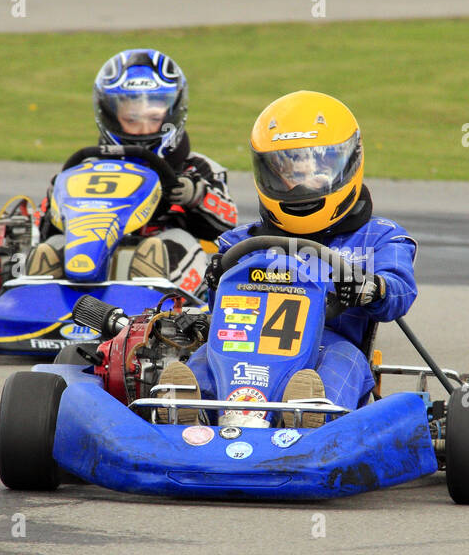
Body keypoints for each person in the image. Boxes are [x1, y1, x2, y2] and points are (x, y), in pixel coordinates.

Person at [158, 90, 418, 427]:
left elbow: (400, 290)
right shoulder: (241, 241)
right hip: (237, 350)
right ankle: (185, 417)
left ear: (349, 162)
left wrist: (372, 287)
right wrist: (215, 280)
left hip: (328, 347)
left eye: (317, 169)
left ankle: (313, 415)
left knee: (344, 360)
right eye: (289, 172)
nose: (300, 185)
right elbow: (217, 307)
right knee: (206, 358)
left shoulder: (378, 236)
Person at [27, 49, 238, 281]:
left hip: (172, 276)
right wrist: (59, 201)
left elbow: (229, 228)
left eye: (154, 118)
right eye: (132, 119)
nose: (144, 129)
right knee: (52, 247)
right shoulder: (86, 168)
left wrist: (194, 195)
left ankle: (153, 295)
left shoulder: (198, 168)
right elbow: (40, 231)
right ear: (110, 115)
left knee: (171, 243)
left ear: (172, 114)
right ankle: (42, 304)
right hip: (94, 265)